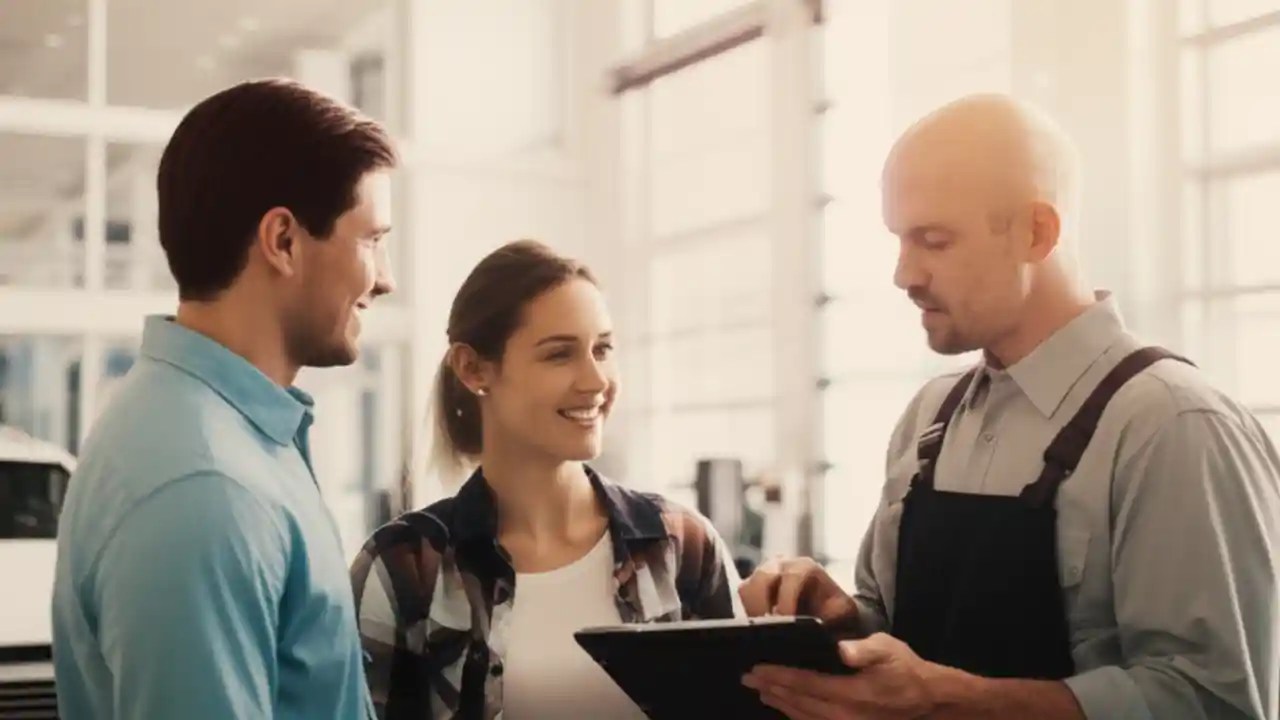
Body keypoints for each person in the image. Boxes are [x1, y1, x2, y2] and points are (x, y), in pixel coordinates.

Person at [739, 94, 1280, 719]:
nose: (903, 275)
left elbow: (1213, 702)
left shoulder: (1173, 425)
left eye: (933, 241)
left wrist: (944, 699)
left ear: (1036, 232)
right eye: (899, 240)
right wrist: (840, 623)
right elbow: (898, 641)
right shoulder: (929, 418)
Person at [52, 78, 397, 719]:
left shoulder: (219, 436)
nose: (386, 279)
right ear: (283, 241)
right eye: (372, 240)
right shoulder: (207, 486)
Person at [350, 240, 745, 719]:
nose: (596, 380)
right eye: (560, 355)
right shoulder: (403, 567)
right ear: (473, 368)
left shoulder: (682, 545)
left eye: (603, 349)